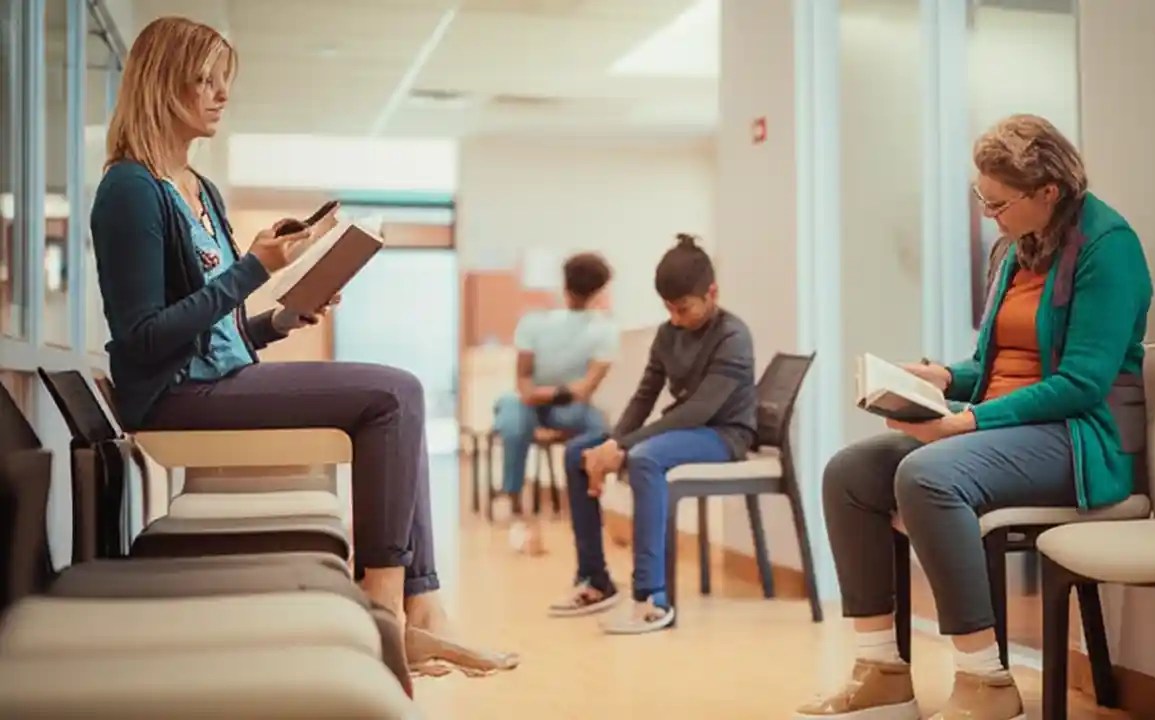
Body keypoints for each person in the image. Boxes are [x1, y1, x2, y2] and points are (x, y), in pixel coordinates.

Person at [90, 16, 516, 678]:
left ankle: (422, 608)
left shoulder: (200, 190)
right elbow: (143, 338)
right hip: (174, 399)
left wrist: (280, 320)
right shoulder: (129, 190)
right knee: (397, 392)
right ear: (161, 82)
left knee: (399, 400)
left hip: (214, 381)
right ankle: (385, 612)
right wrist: (252, 270)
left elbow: (217, 331)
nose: (220, 95)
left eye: (223, 81)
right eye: (204, 79)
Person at [796, 113, 1152, 720]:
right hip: (1004, 426)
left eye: (998, 204)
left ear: (1048, 192)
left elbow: (1080, 383)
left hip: (1079, 436)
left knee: (928, 474)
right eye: (981, 199)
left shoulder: (1107, 247)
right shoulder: (1018, 248)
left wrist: (967, 423)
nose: (990, 216)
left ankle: (986, 682)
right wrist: (940, 379)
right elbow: (995, 361)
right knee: (850, 471)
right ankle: (881, 669)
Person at [548, 234, 757, 634]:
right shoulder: (667, 335)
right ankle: (595, 581)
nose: (675, 318)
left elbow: (700, 411)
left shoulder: (734, 336)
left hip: (723, 435)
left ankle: (652, 599)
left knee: (645, 458)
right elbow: (645, 397)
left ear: (711, 293)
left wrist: (624, 447)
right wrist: (611, 443)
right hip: (680, 430)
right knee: (579, 452)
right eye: (668, 309)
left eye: (683, 308)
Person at [491, 252, 617, 551]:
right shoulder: (540, 324)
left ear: (564, 285)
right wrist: (559, 391)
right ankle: (513, 501)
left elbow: (534, 385)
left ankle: (589, 499)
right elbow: (532, 390)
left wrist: (540, 393)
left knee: (598, 426)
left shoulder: (599, 329)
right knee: (515, 418)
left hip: (563, 410)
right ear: (600, 290)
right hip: (533, 407)